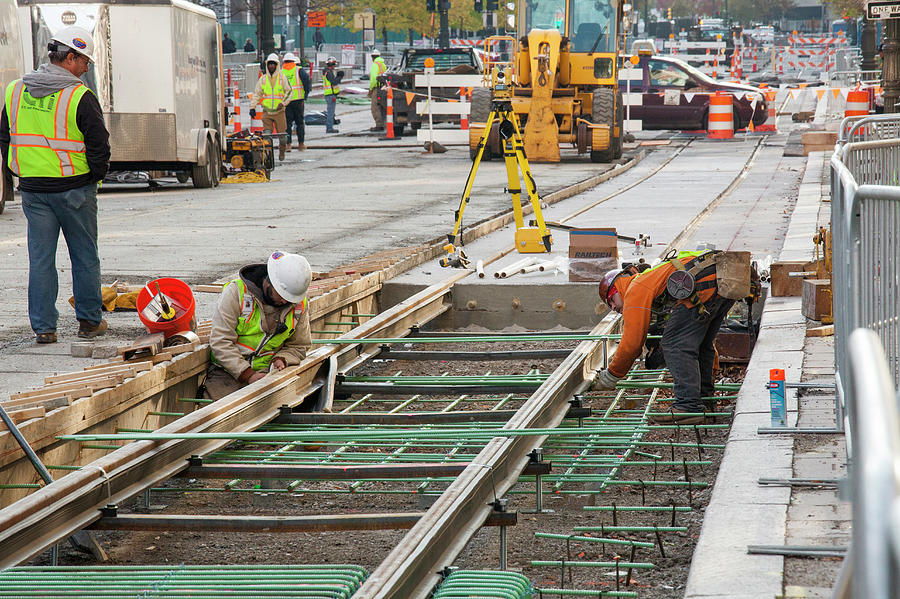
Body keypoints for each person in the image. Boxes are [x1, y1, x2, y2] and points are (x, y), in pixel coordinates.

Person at [0, 26, 110, 344]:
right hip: (75, 189)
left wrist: (17, 170)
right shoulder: (79, 96)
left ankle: (44, 328)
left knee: (41, 259)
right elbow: (99, 146)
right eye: (85, 60)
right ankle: (89, 322)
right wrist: (95, 178)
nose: (87, 67)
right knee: (85, 256)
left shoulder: (15, 90)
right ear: (70, 58)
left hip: (34, 191)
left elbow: (4, 136)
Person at [593, 251, 746, 424]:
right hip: (720, 281)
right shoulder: (652, 280)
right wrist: (710, 374)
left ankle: (688, 406)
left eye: (611, 299)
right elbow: (704, 347)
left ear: (617, 286)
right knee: (701, 344)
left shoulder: (635, 288)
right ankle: (704, 403)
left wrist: (612, 375)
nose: (612, 307)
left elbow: (632, 344)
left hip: (705, 283)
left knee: (674, 343)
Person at [206, 251, 312, 400]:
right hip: (228, 373)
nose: (284, 302)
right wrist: (247, 374)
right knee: (218, 415)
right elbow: (220, 341)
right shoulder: (236, 293)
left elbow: (299, 345)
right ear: (270, 281)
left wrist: (282, 359)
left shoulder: (298, 304)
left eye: (288, 298)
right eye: (281, 295)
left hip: (268, 374)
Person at [253, 53, 291, 160]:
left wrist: (283, 103)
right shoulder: (263, 79)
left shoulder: (282, 78)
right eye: (269, 64)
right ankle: (268, 156)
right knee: (267, 136)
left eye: (273, 64)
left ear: (277, 65)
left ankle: (282, 151)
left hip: (279, 112)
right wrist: (252, 107)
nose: (271, 66)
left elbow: (289, 92)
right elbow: (257, 94)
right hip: (267, 112)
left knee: (283, 138)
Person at [281, 52, 311, 150]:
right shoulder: (299, 70)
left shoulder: (281, 72)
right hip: (298, 100)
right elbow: (307, 82)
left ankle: (288, 145)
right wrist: (305, 96)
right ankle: (301, 144)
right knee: (299, 123)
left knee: (287, 124)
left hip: (286, 101)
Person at [322, 57, 344, 134]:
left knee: (331, 112)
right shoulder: (328, 73)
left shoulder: (327, 72)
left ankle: (330, 126)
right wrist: (339, 77)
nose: (334, 67)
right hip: (330, 95)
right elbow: (334, 82)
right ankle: (329, 128)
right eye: (334, 65)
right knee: (330, 112)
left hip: (330, 94)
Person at [368, 49, 387, 132]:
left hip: (377, 88)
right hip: (384, 87)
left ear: (372, 57)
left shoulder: (375, 65)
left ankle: (379, 125)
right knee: (383, 106)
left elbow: (373, 79)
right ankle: (385, 123)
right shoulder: (383, 64)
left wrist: (371, 89)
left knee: (375, 107)